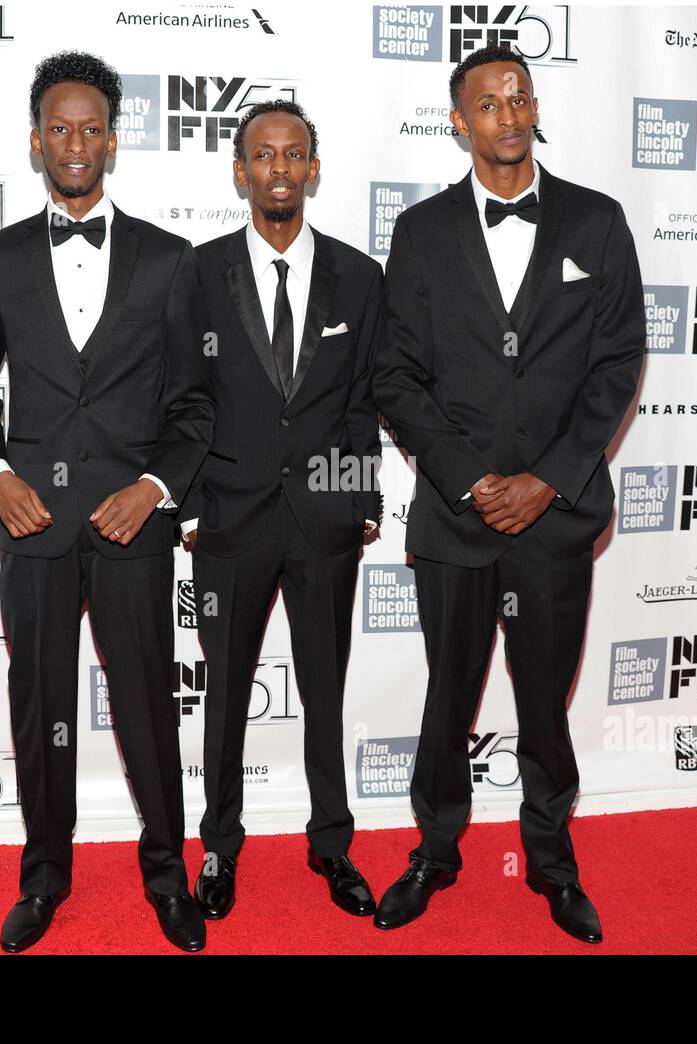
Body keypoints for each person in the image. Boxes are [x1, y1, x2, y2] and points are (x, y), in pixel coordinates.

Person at [370, 44, 645, 943]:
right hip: (456, 518)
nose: (509, 112)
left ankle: (554, 862)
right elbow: (397, 379)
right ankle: (436, 852)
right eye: (488, 102)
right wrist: (470, 480)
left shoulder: (597, 223)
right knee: (448, 699)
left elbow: (615, 366)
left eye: (520, 96)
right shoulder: (419, 234)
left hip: (555, 520)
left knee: (542, 700)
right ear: (459, 123)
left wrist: (548, 481)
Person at [0, 51, 214, 953]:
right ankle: (45, 874)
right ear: (36, 142)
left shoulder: (172, 261)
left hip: (133, 525)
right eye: (58, 128)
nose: (75, 143)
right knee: (40, 705)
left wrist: (155, 488)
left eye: (91, 127)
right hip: (34, 527)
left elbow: (194, 409)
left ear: (113, 138)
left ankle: (168, 873)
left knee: (147, 705)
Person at [180, 100, 383, 922]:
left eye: (293, 154)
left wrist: (361, 496)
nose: (278, 168)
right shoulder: (196, 274)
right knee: (225, 692)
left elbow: (363, 399)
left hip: (326, 519)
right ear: (240, 171)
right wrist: (191, 504)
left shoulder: (359, 277)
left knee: (325, 690)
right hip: (228, 520)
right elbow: (183, 397)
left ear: (313, 169)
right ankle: (220, 849)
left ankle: (331, 844)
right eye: (262, 154)